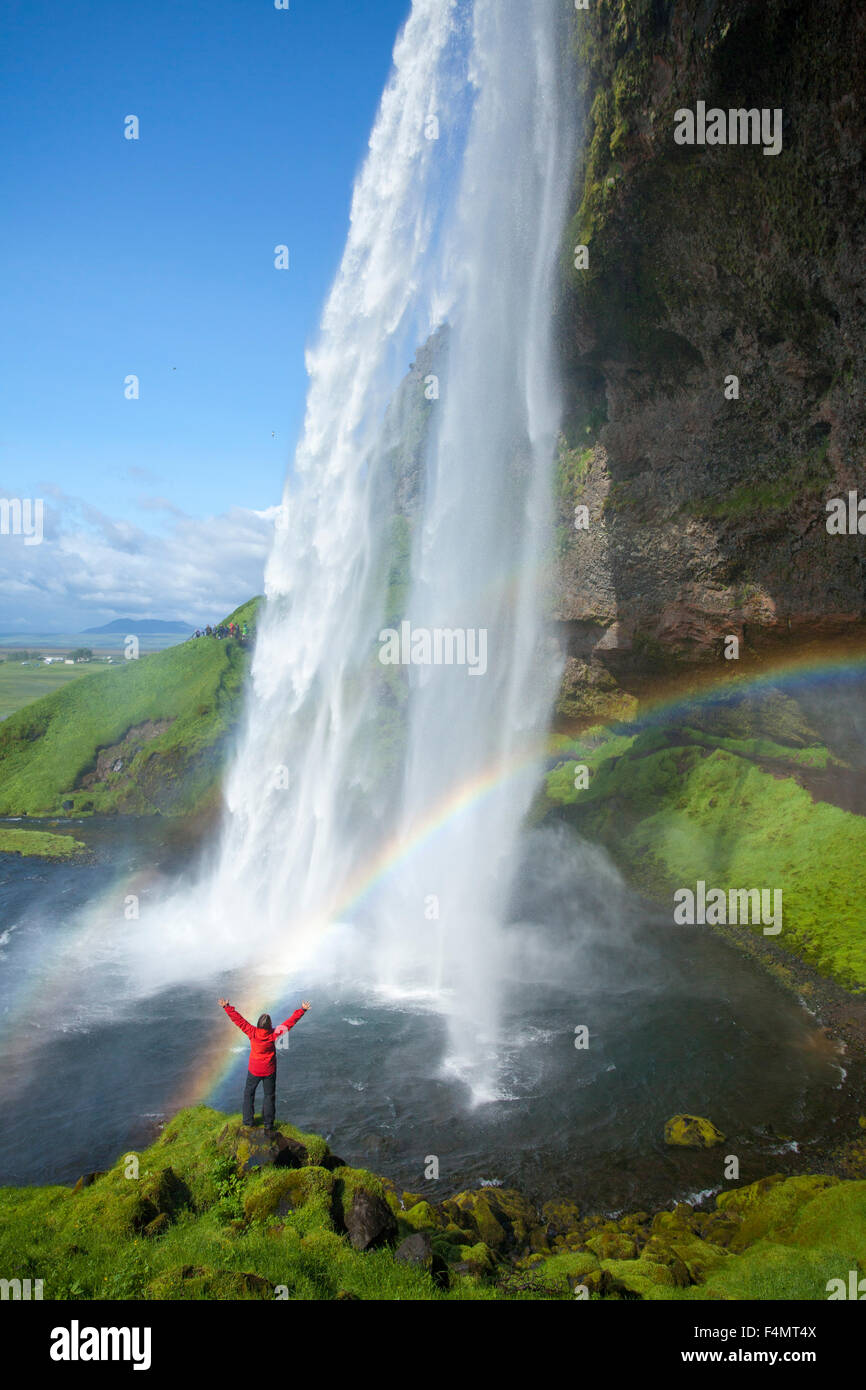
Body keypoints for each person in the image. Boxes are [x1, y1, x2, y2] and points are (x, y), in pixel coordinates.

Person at [218, 997, 311, 1131]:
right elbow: (290, 1023)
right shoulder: (274, 1034)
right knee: (269, 1096)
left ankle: (248, 1122)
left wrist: (227, 1007)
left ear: (258, 1024)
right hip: (269, 1070)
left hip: (254, 1070)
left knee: (249, 1094)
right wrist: (302, 1010)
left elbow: (238, 1020)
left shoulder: (252, 1032)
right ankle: (268, 1124)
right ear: (269, 1025)